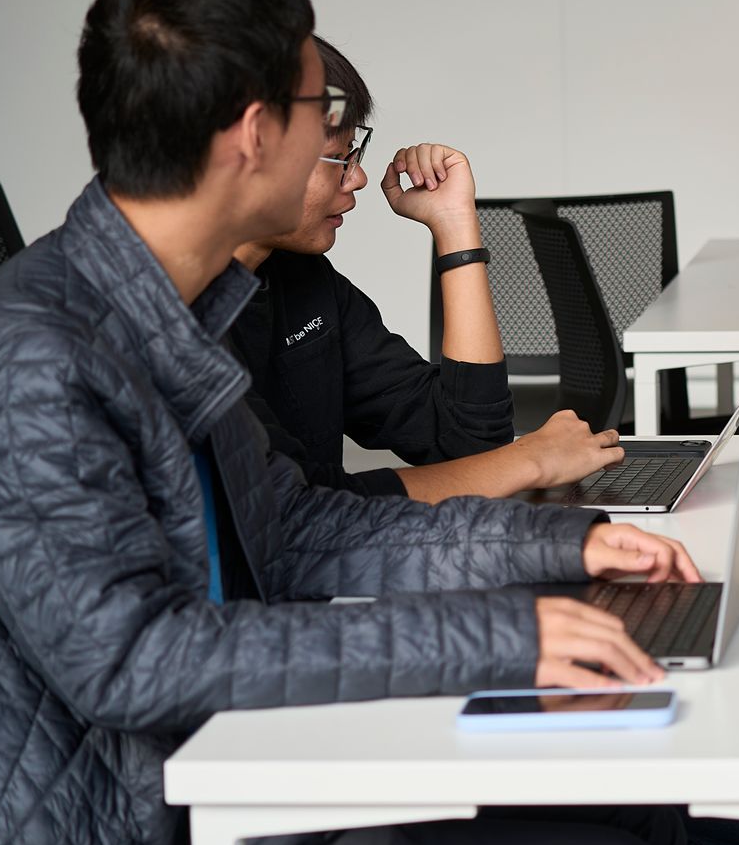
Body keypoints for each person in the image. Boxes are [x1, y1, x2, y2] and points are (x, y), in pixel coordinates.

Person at [0, 0, 739, 845]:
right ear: (253, 135)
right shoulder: (38, 351)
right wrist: (499, 638)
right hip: (150, 824)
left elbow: (302, 529)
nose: (345, 146)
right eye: (325, 115)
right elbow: (132, 659)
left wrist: (563, 548)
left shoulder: (183, 307)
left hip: (250, 757)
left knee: (635, 799)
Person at [228, 35, 623, 500]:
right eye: (339, 157)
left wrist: (455, 227)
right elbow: (293, 507)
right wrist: (529, 460)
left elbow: (468, 439)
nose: (357, 177)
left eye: (356, 152)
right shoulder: (171, 318)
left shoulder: (303, 278)